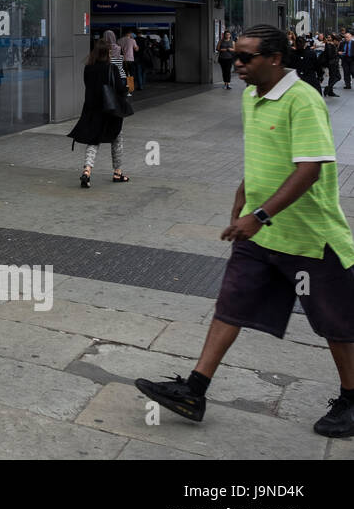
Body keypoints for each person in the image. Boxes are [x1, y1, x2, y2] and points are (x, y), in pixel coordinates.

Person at [137, 25, 354, 438]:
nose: (235, 63)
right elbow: (263, 155)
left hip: (309, 235)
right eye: (234, 55)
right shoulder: (251, 96)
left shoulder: (303, 99)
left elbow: (309, 169)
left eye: (245, 57)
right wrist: (243, 194)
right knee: (230, 306)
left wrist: (259, 214)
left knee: (336, 323)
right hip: (261, 234)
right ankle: (194, 390)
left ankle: (352, 397)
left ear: (274, 58)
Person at [67, 39, 129, 188]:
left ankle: (87, 171)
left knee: (93, 140)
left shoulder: (88, 68)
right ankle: (118, 173)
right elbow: (120, 89)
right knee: (117, 139)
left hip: (92, 109)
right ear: (106, 53)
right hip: (110, 110)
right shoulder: (111, 68)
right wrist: (126, 87)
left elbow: (88, 87)